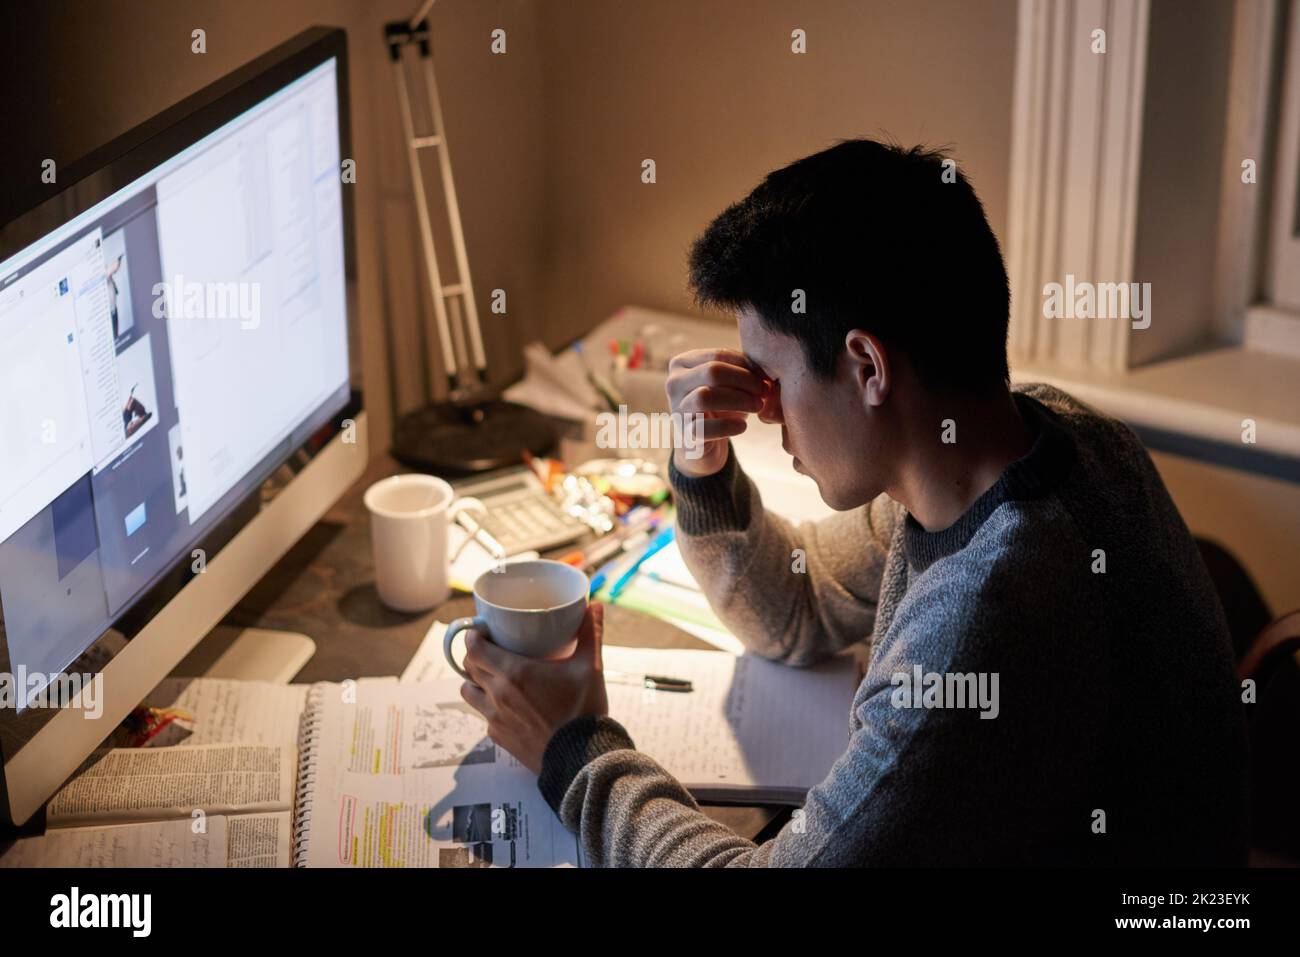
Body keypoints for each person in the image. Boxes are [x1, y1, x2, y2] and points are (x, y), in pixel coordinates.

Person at [458, 138, 1250, 866]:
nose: (763, 410)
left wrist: (576, 752)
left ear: (868, 366)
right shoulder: (1026, 440)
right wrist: (701, 468)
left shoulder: (988, 617)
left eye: (772, 377)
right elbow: (798, 605)